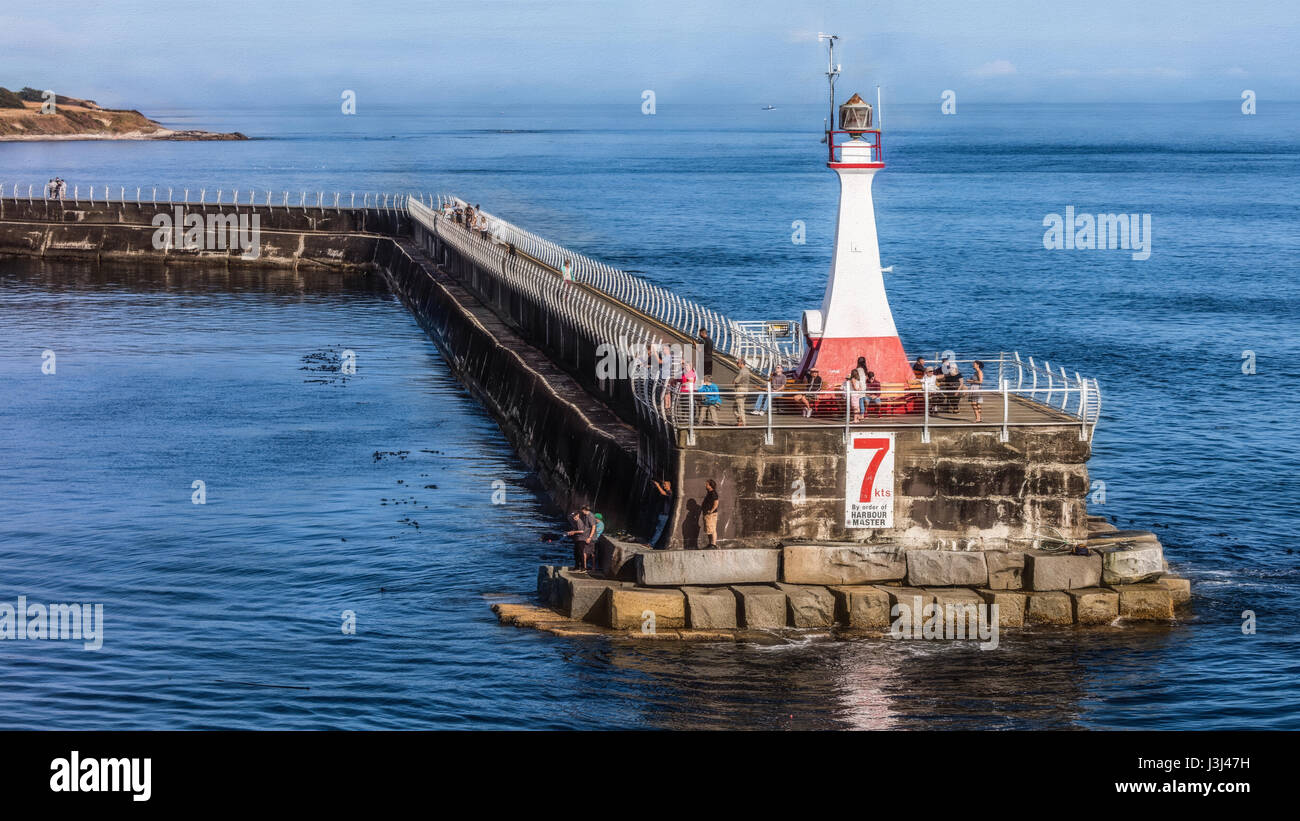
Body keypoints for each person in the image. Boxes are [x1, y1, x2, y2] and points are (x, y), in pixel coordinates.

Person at [565, 506, 597, 572]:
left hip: (582, 538)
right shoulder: (577, 520)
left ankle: (583, 567)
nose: (574, 517)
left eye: (575, 516)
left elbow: (582, 531)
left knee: (581, 553)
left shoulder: (580, 521)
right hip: (578, 538)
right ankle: (577, 566)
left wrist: (574, 532)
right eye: (573, 516)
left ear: (578, 515)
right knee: (576, 553)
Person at [649, 479, 672, 547]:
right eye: (663, 484)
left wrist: (658, 485)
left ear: (669, 485)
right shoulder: (665, 492)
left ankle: (651, 544)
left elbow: (663, 493)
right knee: (656, 529)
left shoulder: (670, 492)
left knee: (659, 530)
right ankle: (650, 542)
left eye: (665, 484)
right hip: (660, 514)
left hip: (664, 515)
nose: (664, 485)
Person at [732, 357, 751, 426]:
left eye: (738, 363)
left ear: (741, 363)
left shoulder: (742, 371)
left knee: (739, 407)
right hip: (745, 389)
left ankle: (743, 423)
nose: (737, 364)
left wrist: (734, 381)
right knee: (736, 407)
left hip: (740, 389)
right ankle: (740, 420)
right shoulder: (747, 370)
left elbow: (736, 381)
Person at [700, 479, 719, 549]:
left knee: (712, 528)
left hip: (711, 514)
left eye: (707, 484)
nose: (705, 485)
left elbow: (716, 503)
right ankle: (710, 543)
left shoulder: (713, 493)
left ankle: (713, 544)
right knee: (709, 529)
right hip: (707, 514)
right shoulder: (709, 493)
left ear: (711, 486)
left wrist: (711, 511)